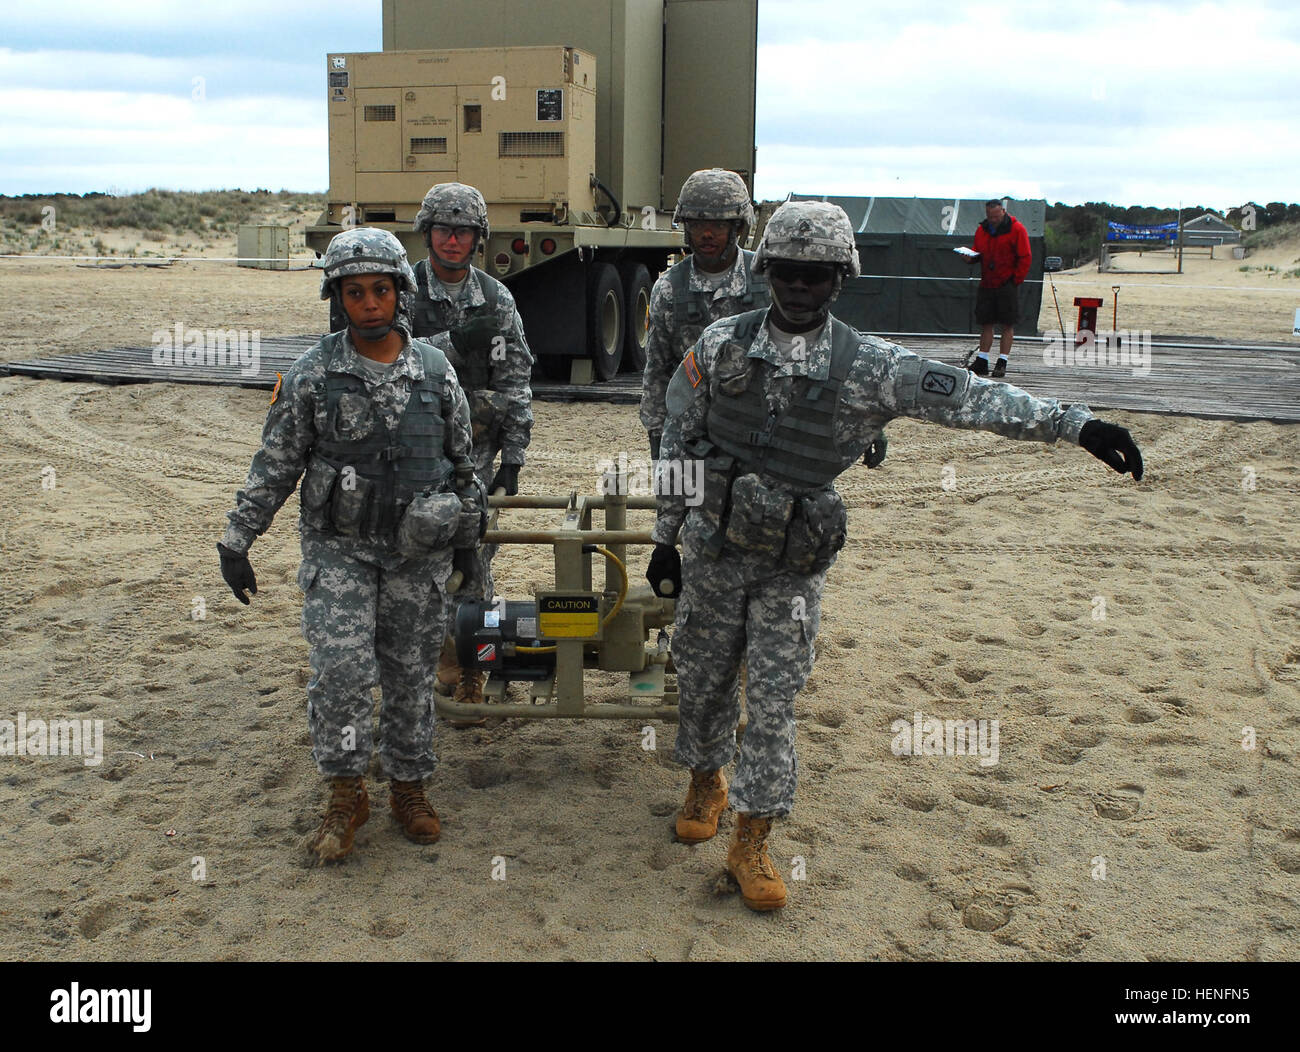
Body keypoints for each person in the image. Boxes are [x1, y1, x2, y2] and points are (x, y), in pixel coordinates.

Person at [646, 201, 1142, 911]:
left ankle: (752, 839)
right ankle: (705, 779)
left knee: (776, 704)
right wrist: (666, 539)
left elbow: (974, 398)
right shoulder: (721, 347)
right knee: (700, 682)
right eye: (787, 272)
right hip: (715, 555)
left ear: (839, 280)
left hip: (791, 567)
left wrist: (1078, 425)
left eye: (816, 276)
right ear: (767, 271)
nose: (798, 288)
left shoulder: (868, 368)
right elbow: (676, 437)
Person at [216, 227, 483, 863]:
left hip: (417, 556)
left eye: (381, 290)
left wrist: (472, 556)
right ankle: (345, 791)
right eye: (355, 292)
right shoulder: (314, 374)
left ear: (401, 294)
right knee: (340, 672)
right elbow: (277, 463)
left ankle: (410, 788)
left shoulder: (438, 374)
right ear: (338, 298)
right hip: (341, 549)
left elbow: (464, 467)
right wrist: (238, 537)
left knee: (411, 674)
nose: (369, 303)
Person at [408, 181, 534, 720]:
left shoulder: (495, 298)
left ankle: (475, 666)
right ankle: (436, 658)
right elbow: (389, 357)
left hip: (477, 447)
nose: (452, 241)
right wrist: (454, 344)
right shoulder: (402, 291)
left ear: (477, 238)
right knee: (420, 557)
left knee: (476, 558)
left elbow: (516, 378)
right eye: (443, 230)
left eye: (462, 232)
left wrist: (514, 458)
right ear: (427, 234)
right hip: (414, 445)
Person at [964, 198, 1031, 377]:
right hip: (987, 282)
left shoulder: (1017, 229)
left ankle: (1002, 361)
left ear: (1002, 211)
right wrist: (970, 257)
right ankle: (982, 360)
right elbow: (978, 251)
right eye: (989, 216)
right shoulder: (982, 229)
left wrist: (1015, 280)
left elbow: (1025, 257)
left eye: (995, 216)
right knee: (986, 322)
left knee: (1007, 324)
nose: (992, 219)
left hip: (1007, 283)